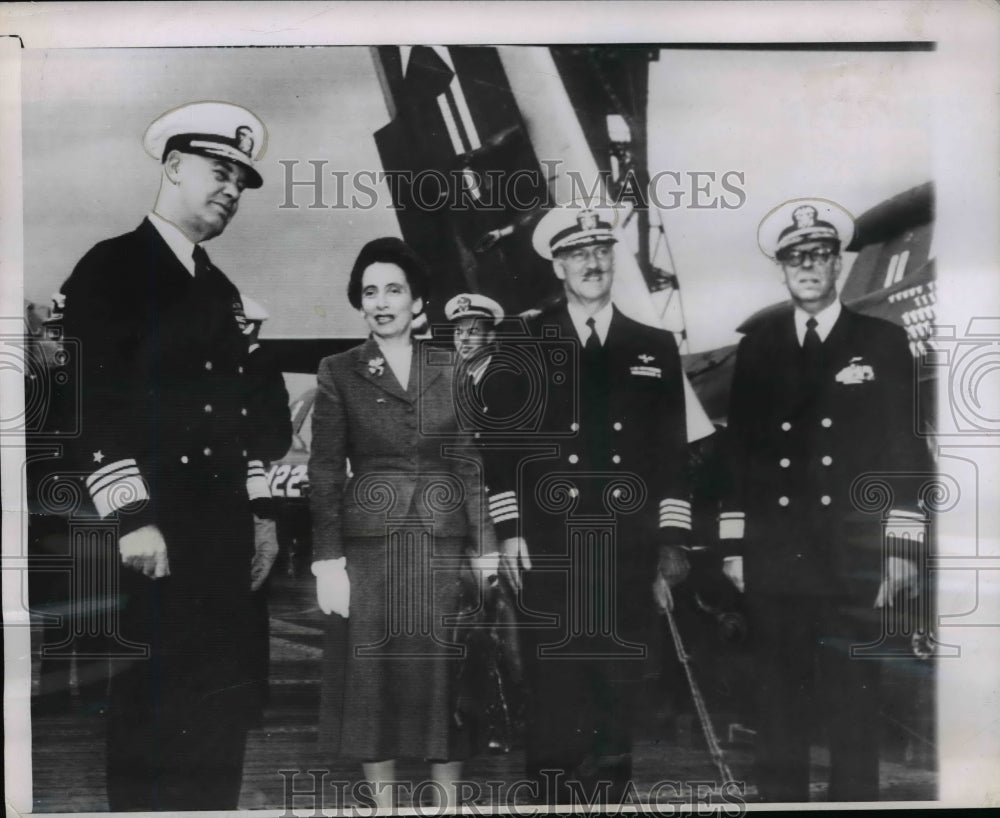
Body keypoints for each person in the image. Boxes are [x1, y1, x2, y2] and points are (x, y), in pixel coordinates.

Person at [56, 101, 275, 811]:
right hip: (157, 532)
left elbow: (242, 415)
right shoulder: (111, 268)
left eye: (241, 182)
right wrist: (134, 517)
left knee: (221, 715)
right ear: (174, 167)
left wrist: (264, 516)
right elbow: (91, 405)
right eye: (220, 172)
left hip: (224, 537)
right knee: (153, 715)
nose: (231, 192)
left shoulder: (220, 288)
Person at [718, 199, 929, 802]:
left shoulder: (882, 342)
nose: (808, 267)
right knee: (778, 709)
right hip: (777, 555)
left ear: (837, 264)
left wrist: (901, 549)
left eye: (818, 256)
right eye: (795, 258)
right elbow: (740, 456)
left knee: (852, 709)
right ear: (781, 270)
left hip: (852, 557)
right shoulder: (758, 348)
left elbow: (906, 452)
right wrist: (734, 547)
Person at [482, 202, 692, 804]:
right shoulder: (523, 338)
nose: (592, 262)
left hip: (627, 549)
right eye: (577, 253)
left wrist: (671, 542)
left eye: (602, 250)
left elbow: (671, 453)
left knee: (616, 693)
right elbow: (502, 444)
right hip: (550, 545)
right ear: (557, 265)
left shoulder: (652, 345)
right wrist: (510, 529)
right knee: (553, 692)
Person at [308, 238, 499, 810]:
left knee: (447, 674)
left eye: (394, 289)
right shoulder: (338, 371)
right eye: (370, 291)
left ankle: (447, 806)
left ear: (418, 301)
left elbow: (467, 459)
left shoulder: (450, 366)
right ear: (360, 303)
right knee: (374, 681)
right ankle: (385, 807)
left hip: (444, 546)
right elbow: (323, 470)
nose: (382, 301)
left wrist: (485, 544)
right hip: (370, 550)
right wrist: (327, 561)